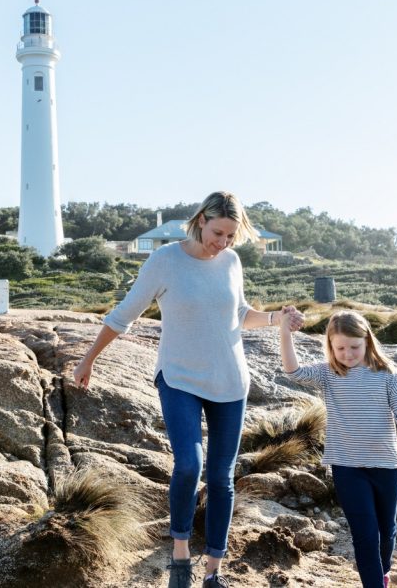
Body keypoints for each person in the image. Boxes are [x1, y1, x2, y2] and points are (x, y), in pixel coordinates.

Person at [73, 191, 286, 588]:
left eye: (230, 236)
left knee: (221, 478)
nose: (222, 242)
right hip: (179, 378)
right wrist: (90, 359)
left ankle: (213, 572)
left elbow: (240, 315)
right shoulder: (165, 260)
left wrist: (277, 318)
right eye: (218, 232)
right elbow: (124, 314)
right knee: (189, 464)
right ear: (201, 219)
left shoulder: (232, 262)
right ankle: (181, 556)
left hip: (230, 381)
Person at [278, 309, 397, 588]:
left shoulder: (387, 374)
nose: (348, 353)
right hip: (347, 467)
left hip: (386, 467)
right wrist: (284, 332)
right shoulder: (328, 374)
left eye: (354, 346)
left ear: (367, 340)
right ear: (330, 346)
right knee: (365, 535)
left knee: (386, 533)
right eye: (340, 347)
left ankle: (382, 573)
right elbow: (293, 372)